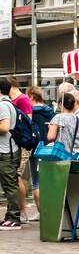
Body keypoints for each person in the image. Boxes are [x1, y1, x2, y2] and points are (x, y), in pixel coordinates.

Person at [2, 77, 33, 216]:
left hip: (12, 147)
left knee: (14, 180)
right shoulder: (10, 102)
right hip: (12, 146)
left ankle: (18, 213)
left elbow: (7, 127)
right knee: (13, 180)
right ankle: (16, 212)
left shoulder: (17, 101)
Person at [26, 87, 54, 214]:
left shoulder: (30, 112)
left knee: (36, 182)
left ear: (32, 96)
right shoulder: (50, 111)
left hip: (35, 148)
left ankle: (42, 213)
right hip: (49, 149)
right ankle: (48, 210)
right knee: (48, 181)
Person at [0, 84, 21, 229]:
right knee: (10, 184)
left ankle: (14, 218)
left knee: (10, 186)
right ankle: (10, 216)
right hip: (9, 150)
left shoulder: (2, 106)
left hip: (6, 152)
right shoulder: (9, 104)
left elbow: (5, 127)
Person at [48, 91, 79, 156]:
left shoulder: (58, 118)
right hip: (76, 155)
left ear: (60, 104)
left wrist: (51, 128)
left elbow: (51, 137)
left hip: (62, 155)